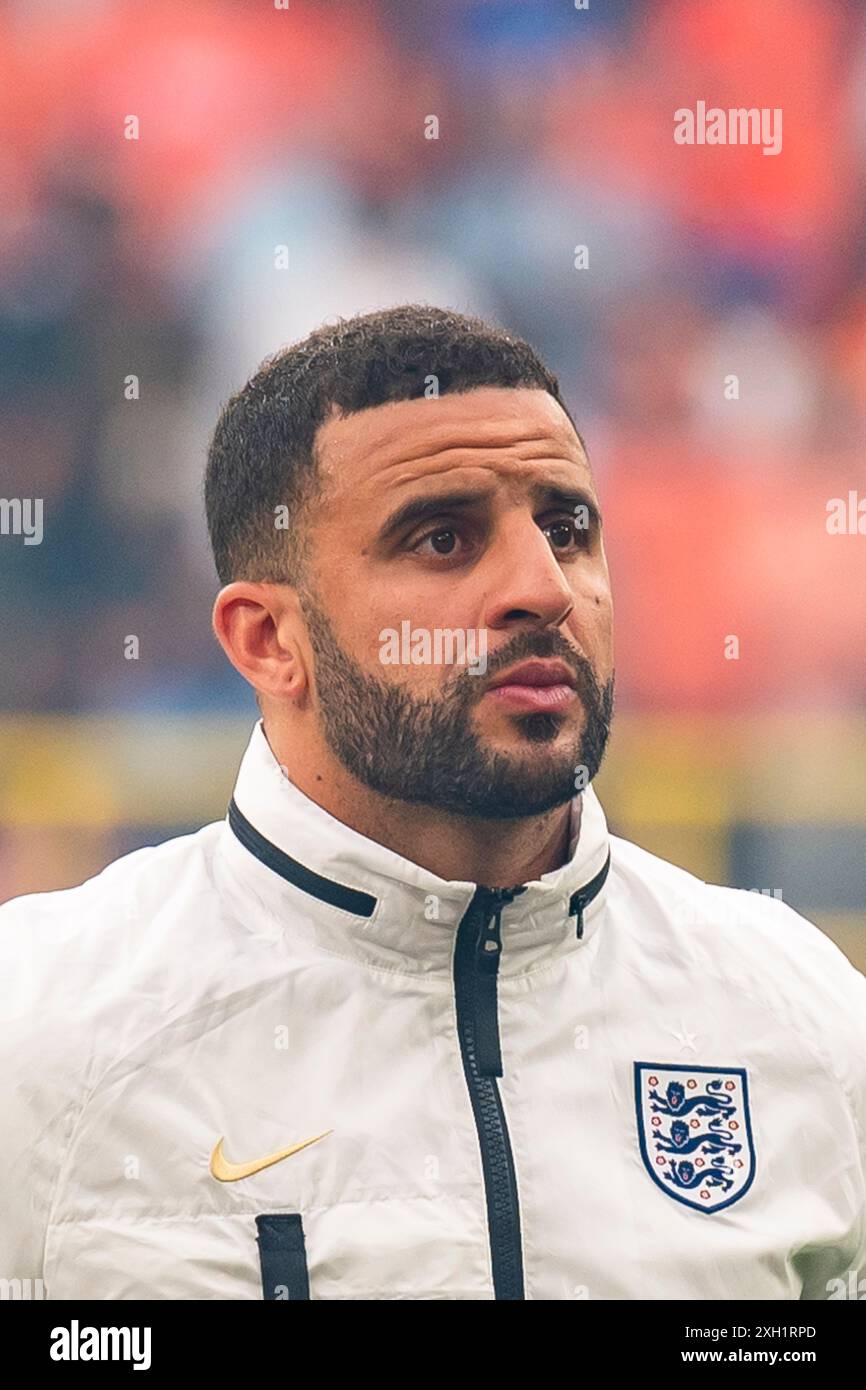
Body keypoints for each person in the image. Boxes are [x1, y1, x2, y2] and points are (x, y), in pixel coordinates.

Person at [1, 304, 864, 1301]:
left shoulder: (799, 1016)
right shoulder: (46, 1032)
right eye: (442, 539)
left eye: (566, 529)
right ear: (268, 641)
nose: (541, 588)